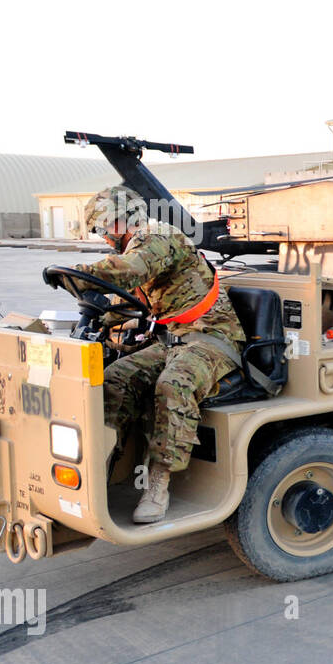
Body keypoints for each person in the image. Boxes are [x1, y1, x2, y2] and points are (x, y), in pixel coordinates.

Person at [60, 186, 245, 524]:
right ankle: (100, 469)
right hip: (172, 340)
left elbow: (130, 271)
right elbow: (126, 298)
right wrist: (94, 320)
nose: (102, 237)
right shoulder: (137, 247)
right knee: (115, 378)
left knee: (173, 385)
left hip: (212, 339)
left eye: (104, 229)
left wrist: (79, 272)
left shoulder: (159, 236)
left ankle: (158, 485)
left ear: (122, 220)